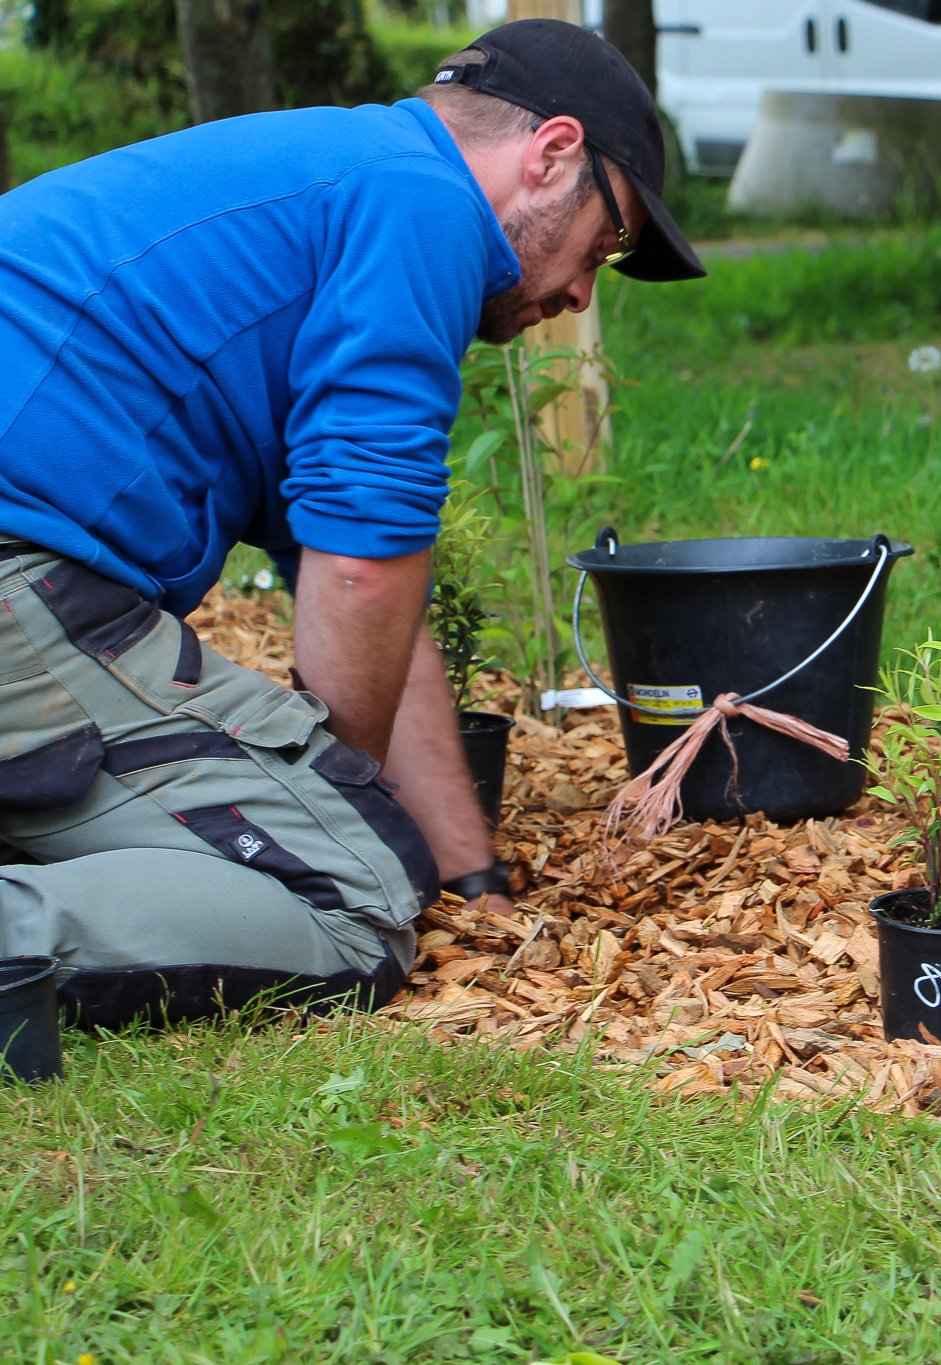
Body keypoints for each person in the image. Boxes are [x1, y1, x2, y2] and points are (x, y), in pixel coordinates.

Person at [0, 19, 704, 1027]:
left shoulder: (344, 173)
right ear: (552, 154)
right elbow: (362, 572)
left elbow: (376, 587)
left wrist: (465, 870)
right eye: (607, 242)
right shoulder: (422, 205)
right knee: (355, 901)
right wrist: (348, 818)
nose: (584, 289)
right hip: (18, 568)